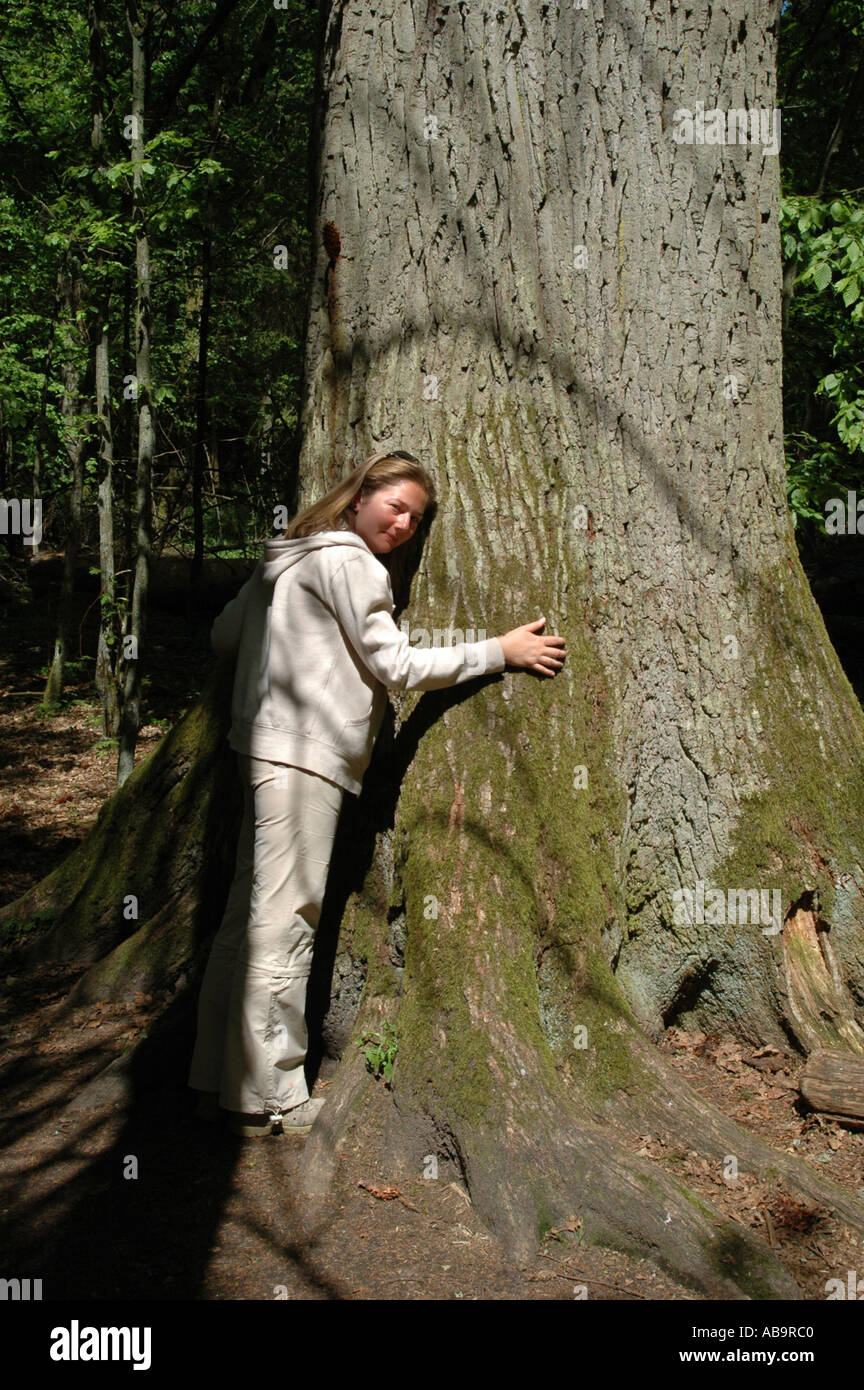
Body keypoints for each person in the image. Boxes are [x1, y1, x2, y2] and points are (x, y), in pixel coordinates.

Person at [188, 448, 567, 1136]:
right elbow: (395, 664)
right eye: (396, 506)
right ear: (360, 494)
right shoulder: (352, 563)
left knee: (251, 916)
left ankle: (218, 1073)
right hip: (306, 757)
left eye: (416, 520)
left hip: (259, 747)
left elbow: (222, 638)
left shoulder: (287, 556)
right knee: (287, 920)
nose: (403, 526)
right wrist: (497, 652)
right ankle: (270, 1097)